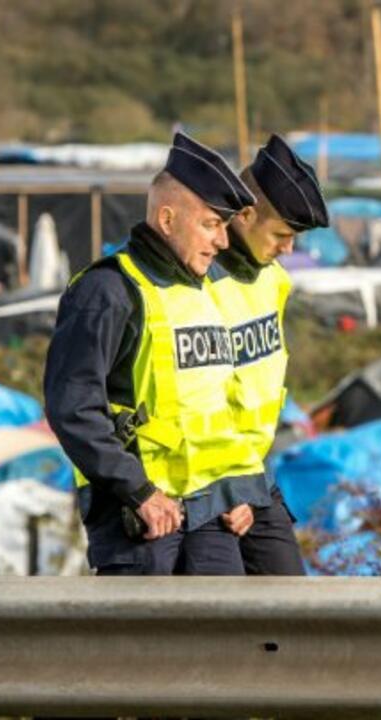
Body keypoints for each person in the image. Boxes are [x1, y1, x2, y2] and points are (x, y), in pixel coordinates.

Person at [44, 131, 269, 576]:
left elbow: (220, 409)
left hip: (214, 515)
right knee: (146, 647)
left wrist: (239, 488)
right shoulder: (107, 291)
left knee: (226, 643)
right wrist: (139, 491)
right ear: (167, 220)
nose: (223, 241)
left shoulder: (204, 291)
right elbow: (72, 406)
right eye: (211, 224)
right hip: (143, 520)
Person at [209, 134, 329, 575]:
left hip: (254, 472)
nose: (288, 249)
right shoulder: (201, 280)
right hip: (209, 479)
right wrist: (223, 487)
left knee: (289, 609)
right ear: (244, 214)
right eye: (281, 234)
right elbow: (193, 395)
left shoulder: (272, 280)